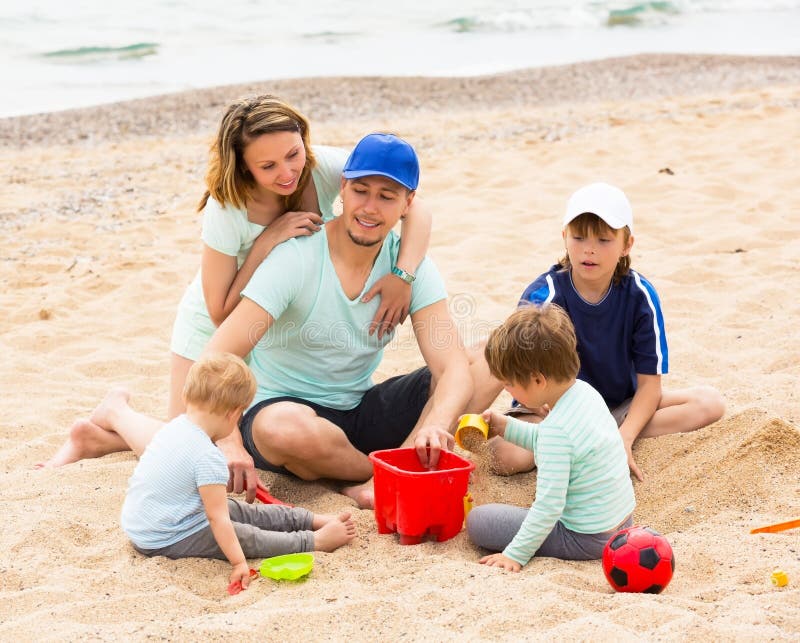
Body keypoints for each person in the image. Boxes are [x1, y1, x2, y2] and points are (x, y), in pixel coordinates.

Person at [204, 132, 472, 509]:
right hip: (285, 410)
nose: (370, 208)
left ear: (408, 204)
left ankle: (394, 467)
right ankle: (387, 475)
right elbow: (218, 354)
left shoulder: (408, 268)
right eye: (361, 190)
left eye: (387, 196)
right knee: (283, 428)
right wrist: (229, 441)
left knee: (484, 361)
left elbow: (454, 368)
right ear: (342, 188)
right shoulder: (296, 258)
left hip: (360, 408)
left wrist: (435, 425)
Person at [168, 94, 432, 418]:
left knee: (221, 436)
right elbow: (220, 313)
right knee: (188, 433)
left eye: (293, 154)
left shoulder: (321, 165)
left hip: (276, 327)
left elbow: (414, 204)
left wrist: (403, 276)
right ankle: (115, 419)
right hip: (216, 323)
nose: (288, 172)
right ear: (245, 167)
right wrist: (268, 241)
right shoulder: (227, 207)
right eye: (268, 166)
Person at [468, 182, 725, 480]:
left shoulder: (640, 295)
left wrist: (625, 437)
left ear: (627, 245)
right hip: (550, 410)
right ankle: (582, 441)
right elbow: (522, 374)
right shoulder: (545, 295)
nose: (589, 249)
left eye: (603, 240)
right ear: (564, 237)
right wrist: (546, 412)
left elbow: (649, 386)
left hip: (616, 408)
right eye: (578, 237)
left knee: (709, 403)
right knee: (506, 456)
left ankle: (601, 440)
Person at [119, 352, 356, 592]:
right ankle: (314, 540)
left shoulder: (175, 428)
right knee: (246, 535)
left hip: (152, 521)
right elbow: (217, 520)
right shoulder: (207, 455)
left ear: (186, 395)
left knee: (239, 510)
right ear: (233, 414)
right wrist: (239, 562)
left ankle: (309, 520)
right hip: (167, 536)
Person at [466, 305, 635, 572]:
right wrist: (506, 427)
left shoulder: (556, 431)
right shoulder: (585, 392)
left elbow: (548, 507)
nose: (505, 388)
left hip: (586, 538)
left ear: (537, 380)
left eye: (509, 383)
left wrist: (515, 555)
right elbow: (559, 444)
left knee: (480, 521)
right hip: (622, 521)